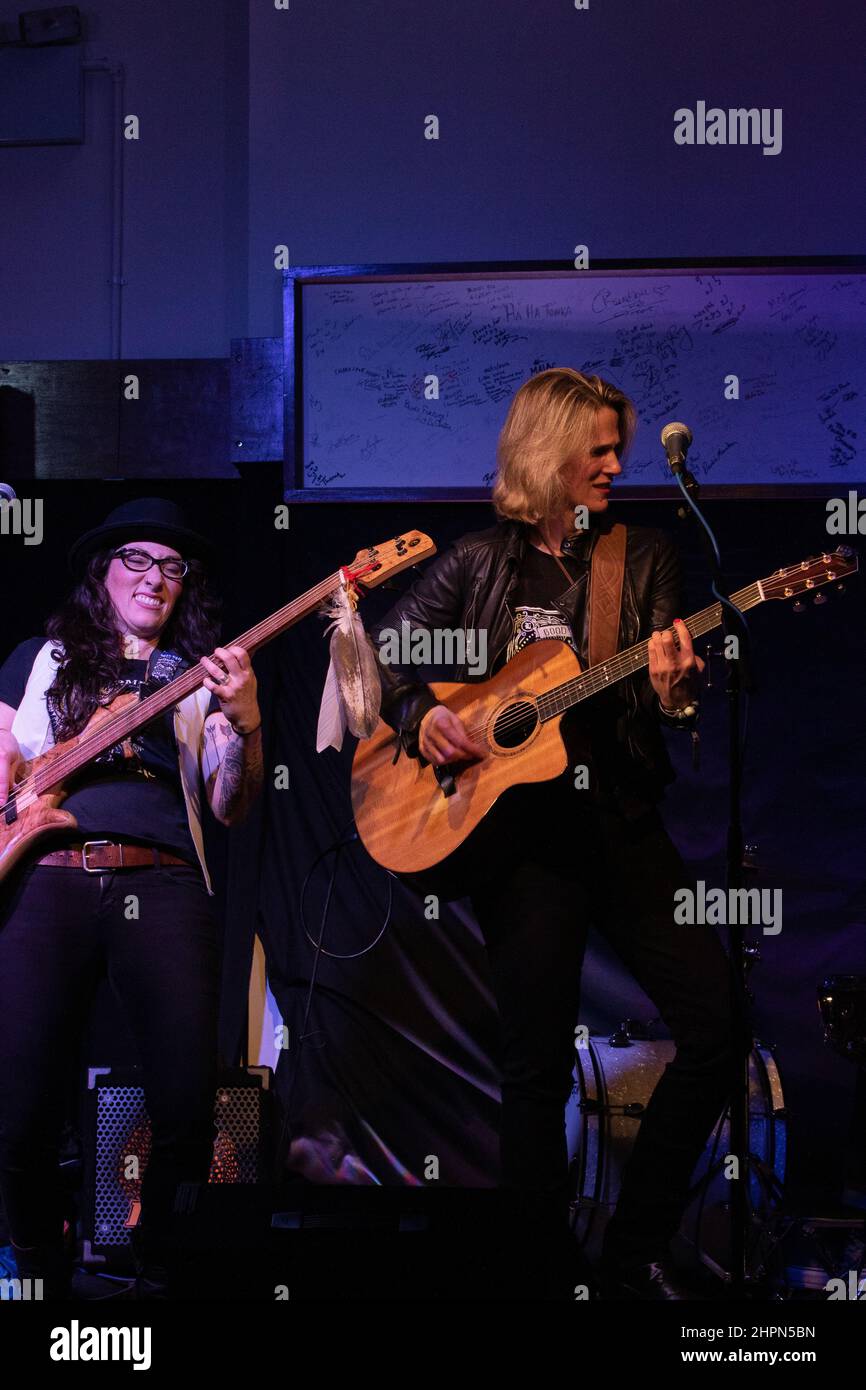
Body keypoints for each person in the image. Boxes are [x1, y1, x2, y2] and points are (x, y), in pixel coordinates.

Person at [371, 368, 747, 1299]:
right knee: (533, 1068)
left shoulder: (643, 554)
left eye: (621, 446)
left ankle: (634, 1247)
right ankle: (537, 1273)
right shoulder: (476, 562)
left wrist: (675, 688)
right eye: (601, 448)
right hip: (518, 843)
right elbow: (386, 654)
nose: (617, 463)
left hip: (617, 823)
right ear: (548, 451)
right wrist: (421, 712)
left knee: (717, 1028)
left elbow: (669, 685)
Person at [0, 497, 264, 1297]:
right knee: (20, 1107)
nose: (157, 578)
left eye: (173, 566)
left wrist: (245, 725)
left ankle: (164, 1274)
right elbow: (3, 760)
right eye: (138, 561)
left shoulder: (199, 674)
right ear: (102, 572)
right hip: (48, 875)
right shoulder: (36, 659)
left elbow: (229, 804)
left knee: (187, 1100)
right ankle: (40, 1268)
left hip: (164, 875)